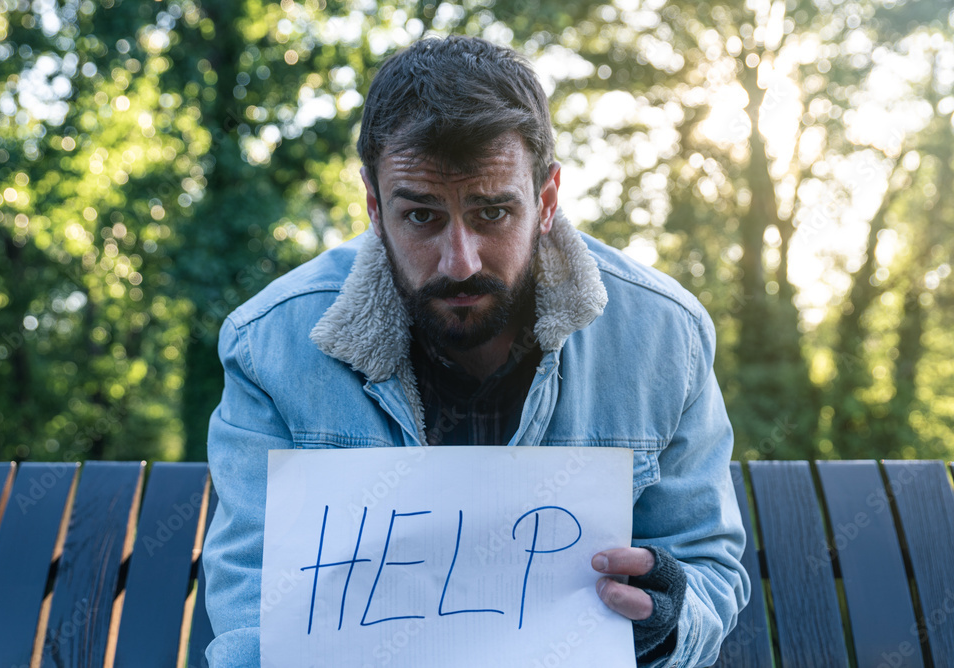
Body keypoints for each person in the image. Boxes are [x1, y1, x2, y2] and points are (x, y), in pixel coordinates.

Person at [203, 35, 749, 667]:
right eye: (421, 217)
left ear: (546, 202)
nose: (459, 261)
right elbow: (251, 600)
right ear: (375, 209)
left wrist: (669, 618)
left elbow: (707, 563)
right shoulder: (271, 343)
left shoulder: (663, 336)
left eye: (492, 213)